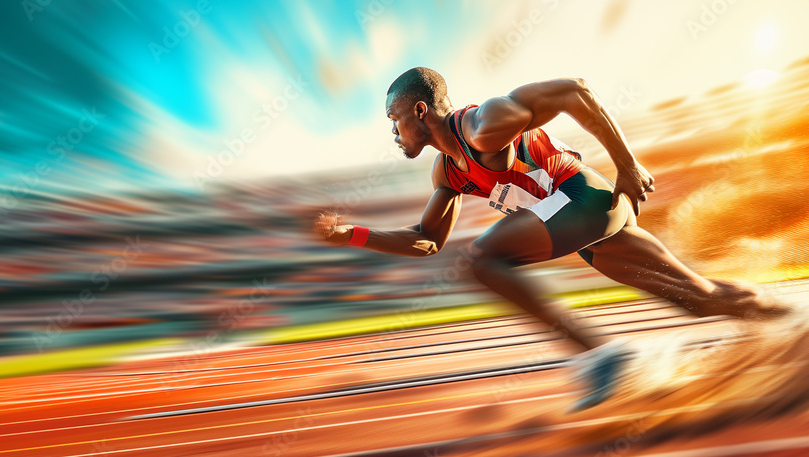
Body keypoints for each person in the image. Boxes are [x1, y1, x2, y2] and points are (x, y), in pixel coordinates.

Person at [313, 67, 793, 411]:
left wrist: (627, 164)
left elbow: (573, 90)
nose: (394, 134)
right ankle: (795, 320)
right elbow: (426, 240)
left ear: (419, 110)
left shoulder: (482, 126)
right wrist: (349, 235)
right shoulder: (448, 169)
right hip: (583, 226)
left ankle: (601, 357)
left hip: (586, 199)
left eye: (394, 120)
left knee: (480, 260)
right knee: (700, 298)